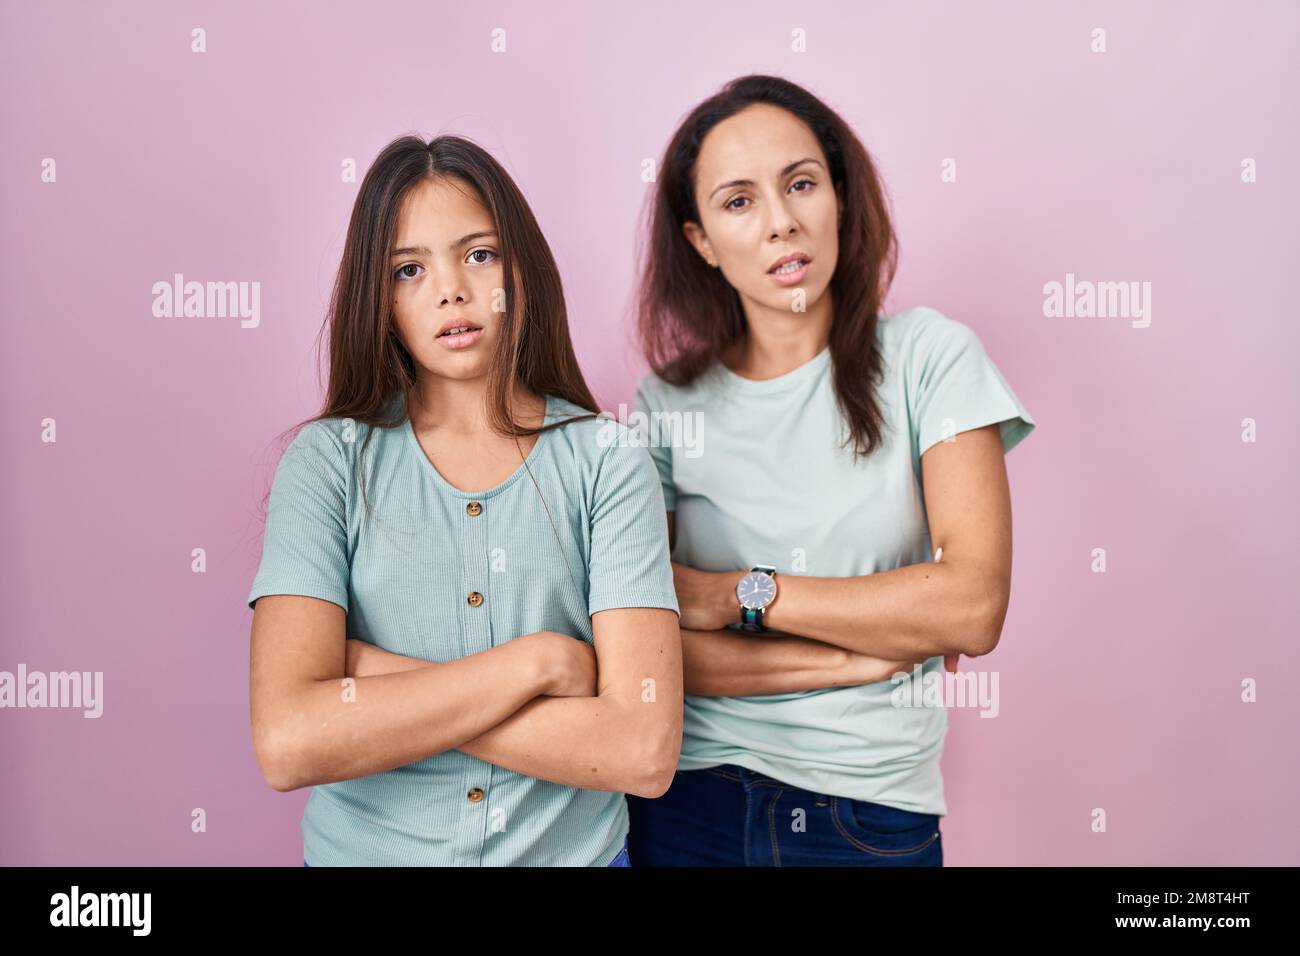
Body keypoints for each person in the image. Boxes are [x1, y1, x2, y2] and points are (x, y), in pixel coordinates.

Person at [625, 75, 1037, 866]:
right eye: (738, 202)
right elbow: (648, 651)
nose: (782, 223)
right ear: (701, 240)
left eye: (801, 184)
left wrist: (735, 594)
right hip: (685, 802)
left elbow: (973, 606)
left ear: (840, 200)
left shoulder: (929, 358)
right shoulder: (663, 404)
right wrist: (858, 655)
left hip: (868, 810)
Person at [247, 134, 682, 866]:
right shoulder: (326, 464)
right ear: (377, 300)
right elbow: (290, 743)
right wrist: (537, 664)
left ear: (522, 268)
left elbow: (641, 750)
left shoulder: (608, 460)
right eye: (409, 269)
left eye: (479, 255)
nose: (451, 289)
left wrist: (381, 680)